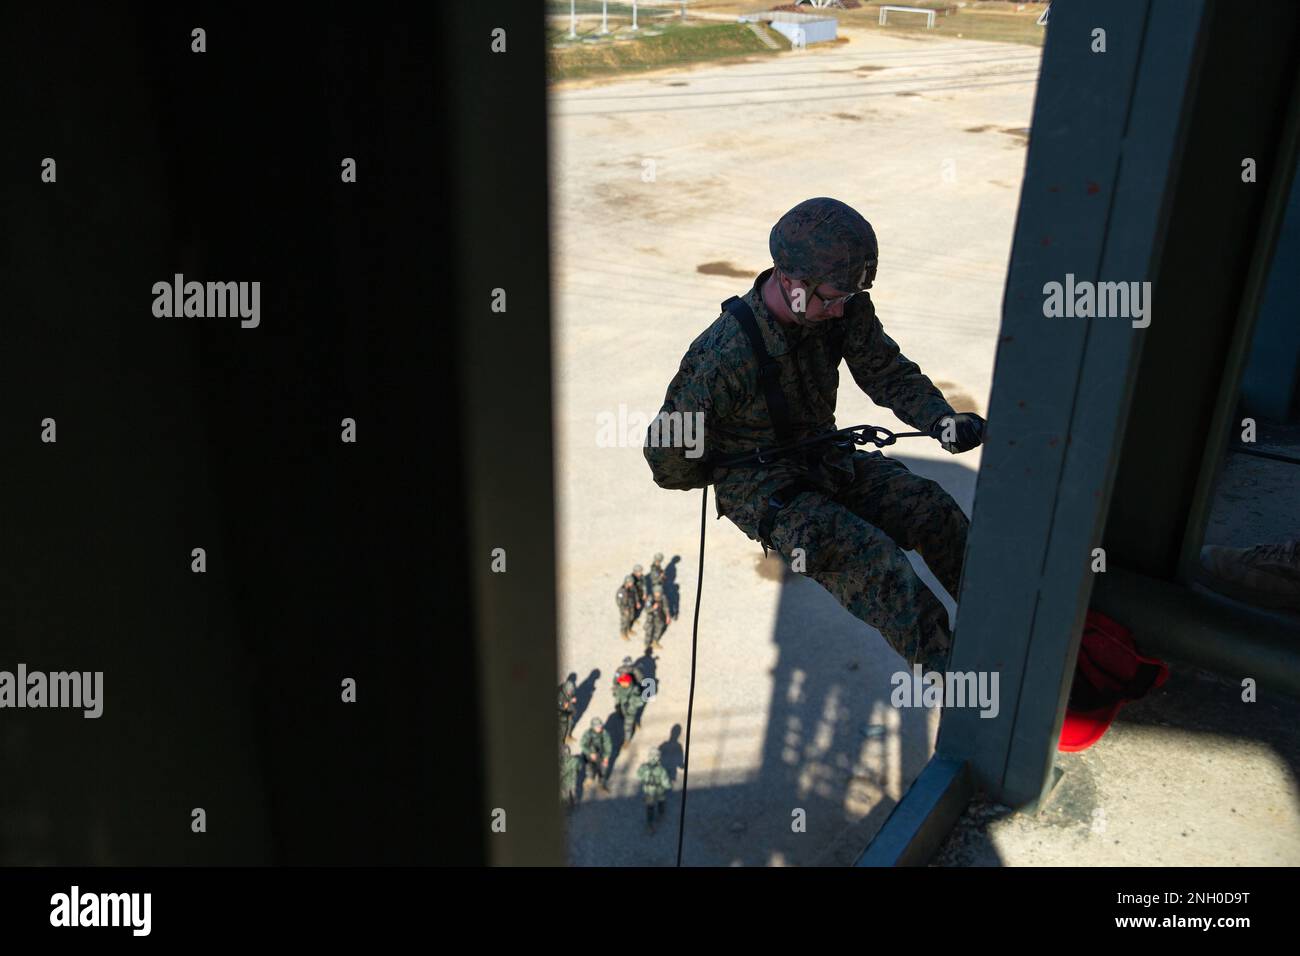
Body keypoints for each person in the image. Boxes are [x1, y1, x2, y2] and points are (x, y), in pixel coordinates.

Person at [645, 197, 985, 674]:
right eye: (833, 296)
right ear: (791, 281)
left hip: (825, 458)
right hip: (764, 489)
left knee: (931, 508)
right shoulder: (724, 355)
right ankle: (961, 681)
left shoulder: (838, 307)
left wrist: (939, 420)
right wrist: (724, 468)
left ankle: (999, 625)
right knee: (875, 564)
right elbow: (667, 459)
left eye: (848, 296)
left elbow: (885, 371)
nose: (841, 308)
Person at [636, 751, 671, 833]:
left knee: (650, 808)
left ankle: (649, 824)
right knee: (661, 800)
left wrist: (644, 780)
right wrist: (668, 786)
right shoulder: (661, 770)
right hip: (659, 790)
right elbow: (666, 783)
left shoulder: (643, 767)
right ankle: (661, 814)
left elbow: (638, 776)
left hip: (648, 790)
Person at [612, 656, 646, 741]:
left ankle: (627, 738)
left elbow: (641, 681)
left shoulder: (634, 671)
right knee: (625, 715)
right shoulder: (621, 670)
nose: (627, 666)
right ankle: (634, 722)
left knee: (629, 719)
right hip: (623, 694)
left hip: (632, 696)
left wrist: (639, 692)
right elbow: (615, 681)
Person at [580, 717, 612, 791]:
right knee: (589, 768)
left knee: (604, 769)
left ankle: (601, 783)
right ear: (593, 727)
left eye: (600, 726)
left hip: (601, 754)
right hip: (589, 755)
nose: (599, 728)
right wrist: (590, 753)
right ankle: (589, 779)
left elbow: (608, 745)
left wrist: (606, 757)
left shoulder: (604, 733)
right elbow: (582, 744)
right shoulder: (588, 734)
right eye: (597, 727)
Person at [642, 585, 670, 653]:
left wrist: (667, 616)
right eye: (656, 592)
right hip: (651, 618)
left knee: (659, 629)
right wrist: (653, 608)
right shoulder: (650, 599)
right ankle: (647, 645)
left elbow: (666, 607)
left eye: (659, 592)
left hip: (660, 617)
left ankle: (655, 642)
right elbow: (646, 610)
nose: (657, 594)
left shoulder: (663, 597)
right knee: (649, 631)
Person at [616, 575, 639, 641]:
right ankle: (623, 633)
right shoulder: (621, 591)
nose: (632, 584)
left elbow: (635, 594)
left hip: (631, 606)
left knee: (631, 617)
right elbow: (619, 602)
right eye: (631, 582)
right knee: (625, 620)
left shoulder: (632, 587)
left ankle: (629, 629)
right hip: (625, 609)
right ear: (627, 582)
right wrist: (625, 609)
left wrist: (637, 602)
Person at [557, 677, 578, 743]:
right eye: (569, 691)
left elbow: (569, 696)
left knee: (570, 723)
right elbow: (561, 707)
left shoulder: (568, 689)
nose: (571, 693)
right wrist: (570, 701)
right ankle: (564, 739)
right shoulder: (560, 695)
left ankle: (568, 736)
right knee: (564, 725)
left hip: (568, 709)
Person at [560, 744, 580, 809]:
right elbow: (579, 767)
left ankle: (568, 808)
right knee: (571, 793)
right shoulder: (575, 760)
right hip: (573, 781)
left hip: (565, 782)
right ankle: (572, 805)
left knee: (566, 796)